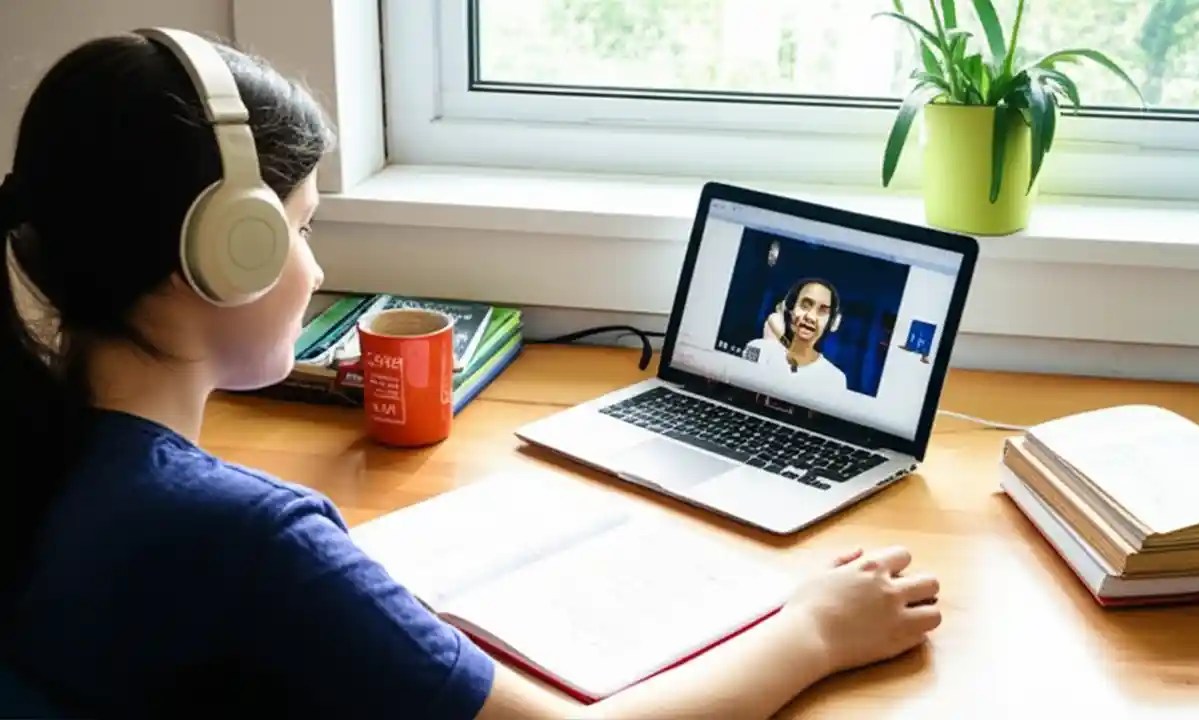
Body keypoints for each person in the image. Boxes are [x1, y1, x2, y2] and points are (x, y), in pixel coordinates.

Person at [0, 31, 941, 719]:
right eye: (299, 227)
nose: (317, 269)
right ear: (219, 253)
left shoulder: (44, 450)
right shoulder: (248, 538)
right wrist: (816, 629)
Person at [747, 278, 850, 394]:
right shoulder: (758, 348)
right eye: (805, 306)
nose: (810, 317)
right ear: (789, 309)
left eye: (822, 311)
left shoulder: (835, 379)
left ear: (832, 322)